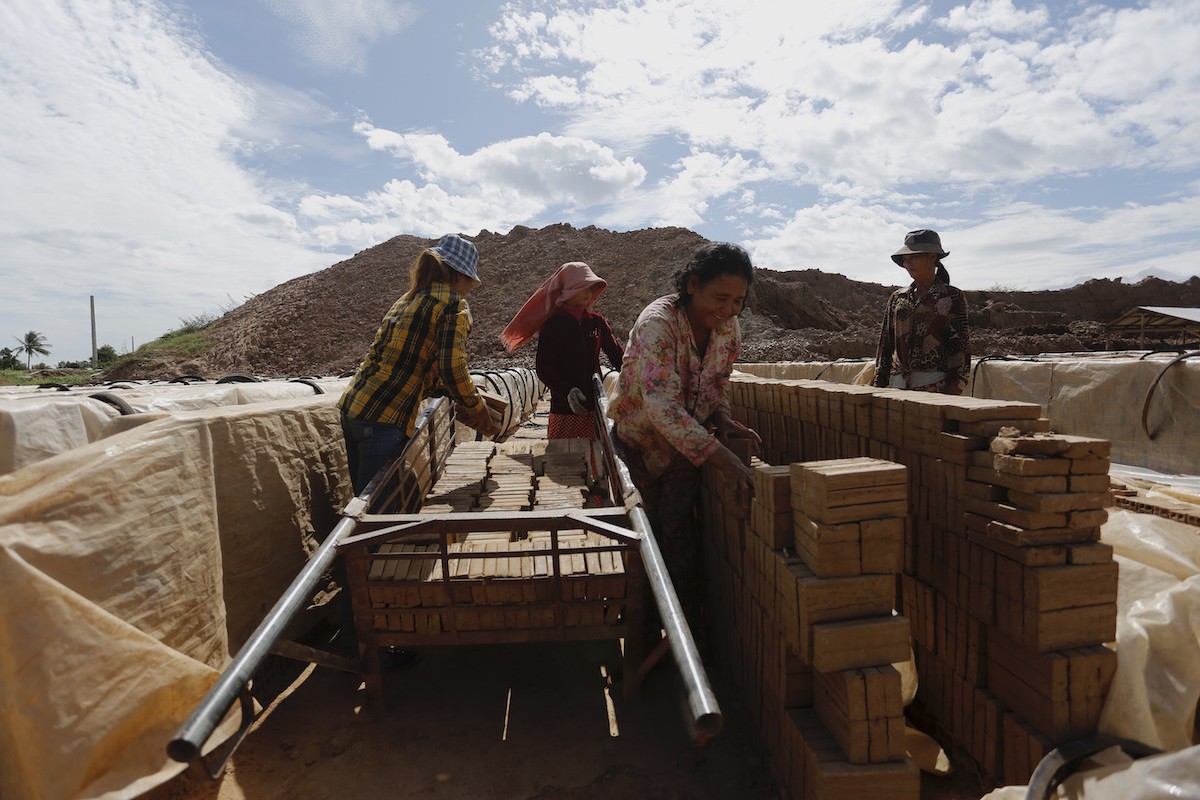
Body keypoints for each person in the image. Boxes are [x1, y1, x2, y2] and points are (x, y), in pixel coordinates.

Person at [607, 241, 761, 628]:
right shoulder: (658, 324)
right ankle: (641, 637)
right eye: (720, 298)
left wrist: (723, 418)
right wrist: (722, 457)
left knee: (678, 539)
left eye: (738, 301)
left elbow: (718, 381)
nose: (729, 310)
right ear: (693, 285)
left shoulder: (727, 330)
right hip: (638, 445)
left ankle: (684, 633)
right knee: (642, 542)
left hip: (681, 451)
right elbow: (661, 407)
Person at [339, 233, 499, 496]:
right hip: (384, 416)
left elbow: (409, 363)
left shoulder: (408, 298)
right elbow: (452, 367)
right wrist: (476, 407)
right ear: (459, 275)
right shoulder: (453, 305)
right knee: (376, 508)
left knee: (364, 498)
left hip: (355, 406)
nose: (470, 288)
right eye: (470, 281)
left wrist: (452, 392)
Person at [499, 262, 624, 439]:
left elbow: (616, 355)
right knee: (562, 453)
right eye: (583, 287)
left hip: (593, 407)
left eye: (591, 288)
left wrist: (634, 376)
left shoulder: (597, 322)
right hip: (563, 408)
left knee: (591, 452)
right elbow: (544, 368)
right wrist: (568, 392)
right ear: (569, 290)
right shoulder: (553, 324)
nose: (588, 292)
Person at [874, 229, 971, 395]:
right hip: (897, 388)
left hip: (935, 389)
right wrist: (879, 385)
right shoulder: (898, 298)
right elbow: (885, 345)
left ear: (932, 256)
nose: (908, 264)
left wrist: (954, 390)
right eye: (905, 259)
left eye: (913, 257)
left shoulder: (951, 296)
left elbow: (960, 348)